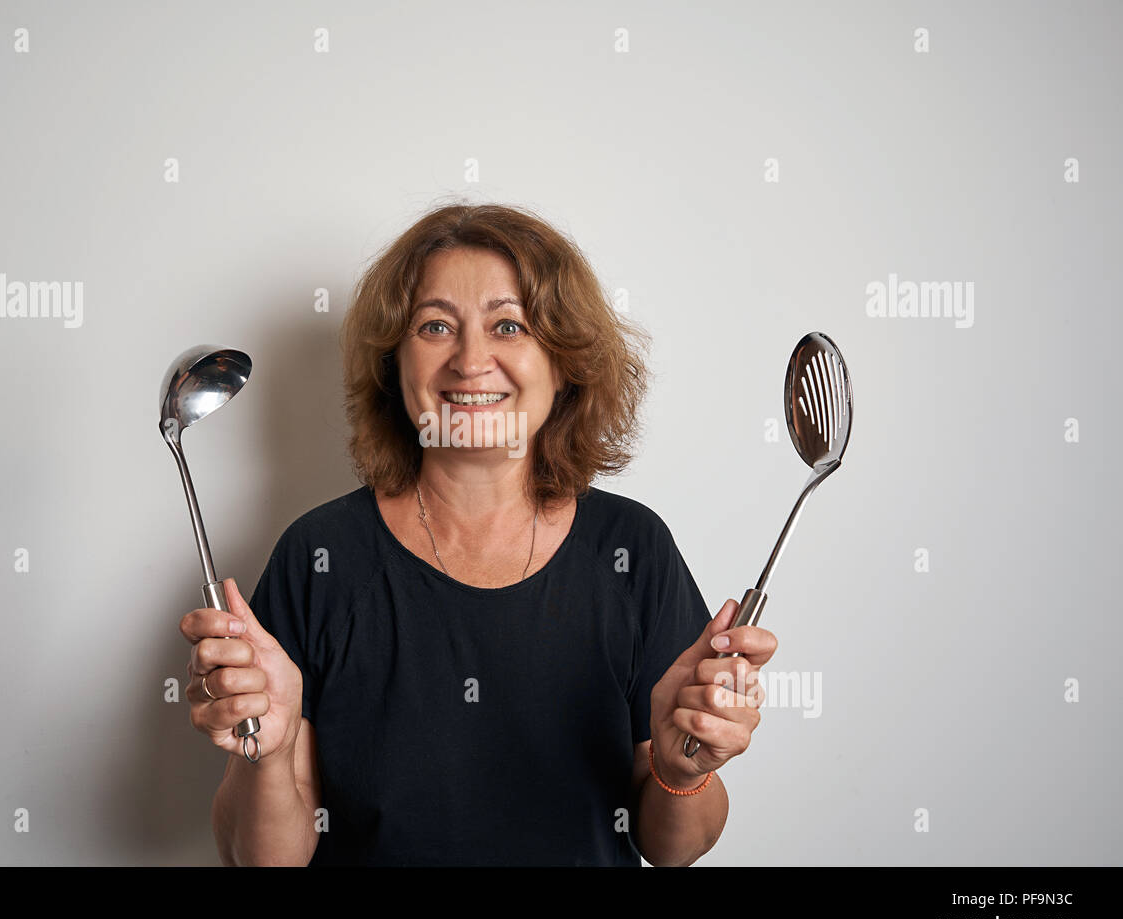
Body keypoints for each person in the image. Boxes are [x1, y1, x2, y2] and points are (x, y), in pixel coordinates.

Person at [178, 201, 778, 866]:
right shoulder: (320, 558)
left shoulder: (632, 550)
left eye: (509, 325)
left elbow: (673, 847)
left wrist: (682, 765)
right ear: (394, 362)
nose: (471, 360)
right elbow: (263, 859)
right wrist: (271, 749)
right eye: (435, 325)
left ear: (564, 363)